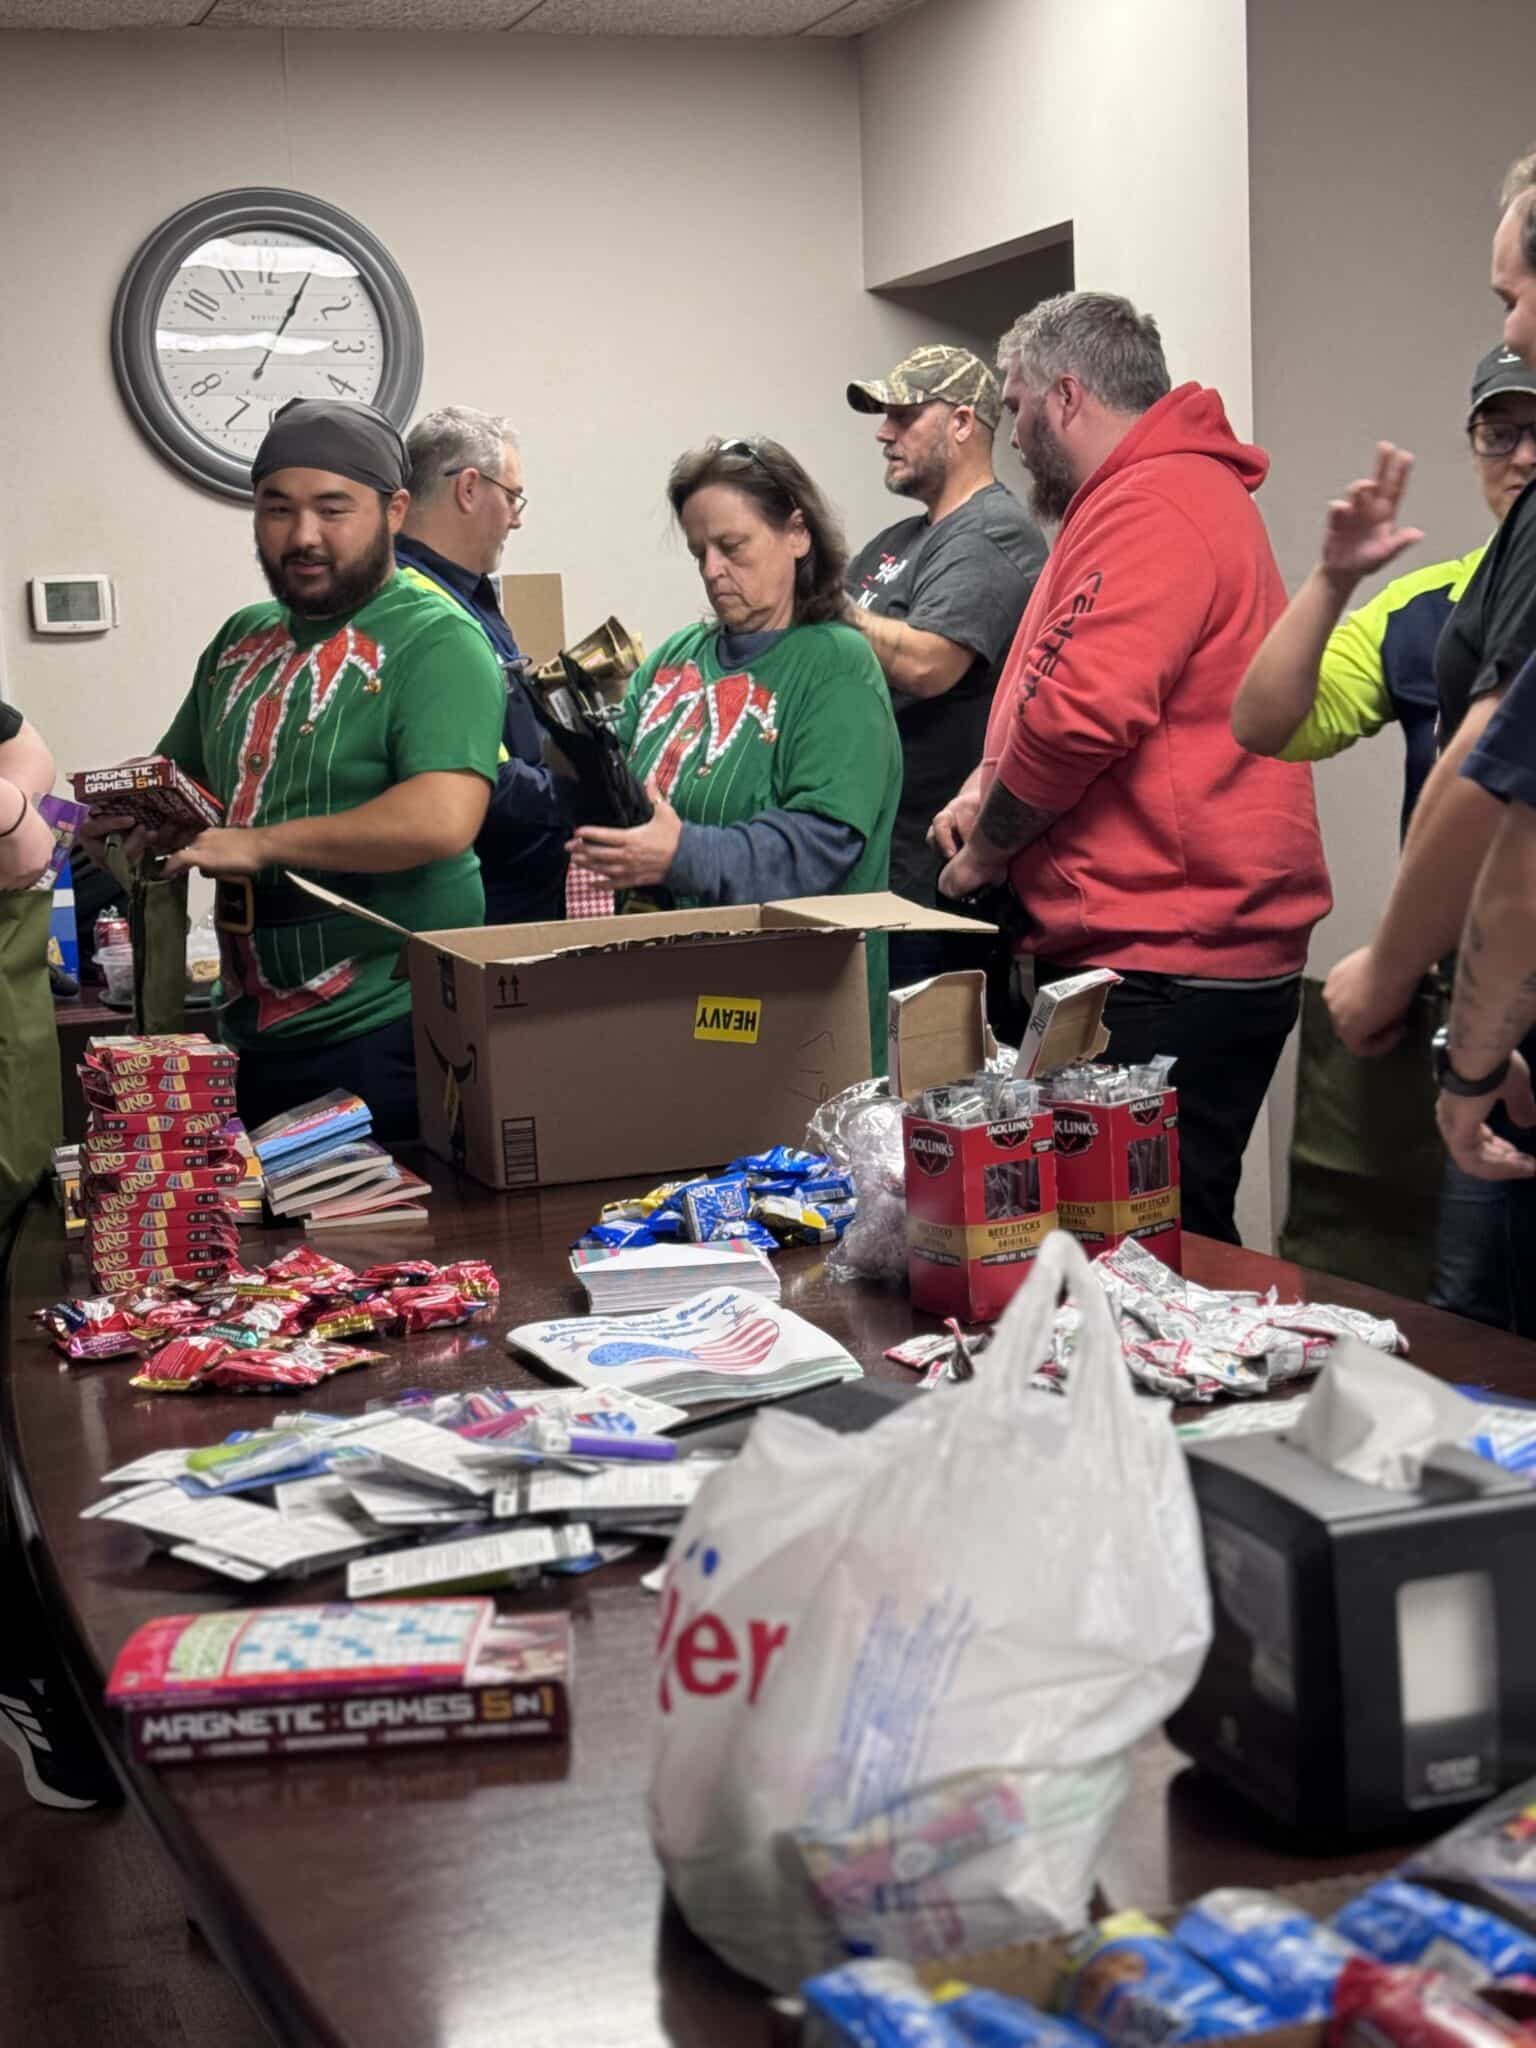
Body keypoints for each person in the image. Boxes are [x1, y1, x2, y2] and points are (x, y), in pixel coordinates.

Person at [934, 291, 1332, 1245]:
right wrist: (987, 778)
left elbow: (1078, 717)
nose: (1014, 434)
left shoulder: (1154, 502)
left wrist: (988, 852)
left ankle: (1204, 1400)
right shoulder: (1137, 498)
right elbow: (1060, 680)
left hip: (1171, 952)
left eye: (1020, 404)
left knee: (1151, 1246)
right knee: (1146, 1232)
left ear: (1067, 395)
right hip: (1164, 941)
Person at [80, 398, 506, 1141]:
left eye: (333, 509)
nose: (303, 536)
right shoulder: (240, 640)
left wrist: (261, 842)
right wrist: (130, 817)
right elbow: (184, 779)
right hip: (247, 1029)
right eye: (277, 510)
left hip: (391, 1030)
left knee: (392, 1256)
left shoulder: (439, 639)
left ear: (395, 510)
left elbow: (443, 817)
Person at [1231, 347, 1536, 1321]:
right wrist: (1331, 579)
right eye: (1501, 431)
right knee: (1468, 1314)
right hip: (1482, 1015)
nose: (1524, 454)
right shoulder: (1432, 610)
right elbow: (1265, 721)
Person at [1317, 147, 1536, 1325]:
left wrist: (1396, 980)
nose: (1514, 325)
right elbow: (1490, 750)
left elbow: (1506, 797)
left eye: (1513, 296)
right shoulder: (1450, 591)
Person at [566, 435, 901, 1056]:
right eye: (699, 552)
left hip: (795, 1017)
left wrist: (682, 855)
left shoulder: (836, 666)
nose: (712, 570)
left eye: (732, 546)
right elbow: (620, 792)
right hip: (678, 998)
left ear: (797, 534)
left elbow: (821, 846)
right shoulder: (674, 659)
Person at [843, 345, 1045, 986]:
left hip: (931, 886)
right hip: (874, 868)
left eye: (903, 415)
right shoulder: (899, 542)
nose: (884, 432)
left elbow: (930, 663)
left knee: (920, 1082)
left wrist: (818, 599)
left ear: (962, 423)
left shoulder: (992, 533)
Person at [397, 407, 568, 925]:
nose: (517, 517)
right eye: (512, 496)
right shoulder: (419, 610)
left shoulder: (464, 594)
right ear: (469, 489)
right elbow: (481, 777)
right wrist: (588, 795)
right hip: (478, 915)